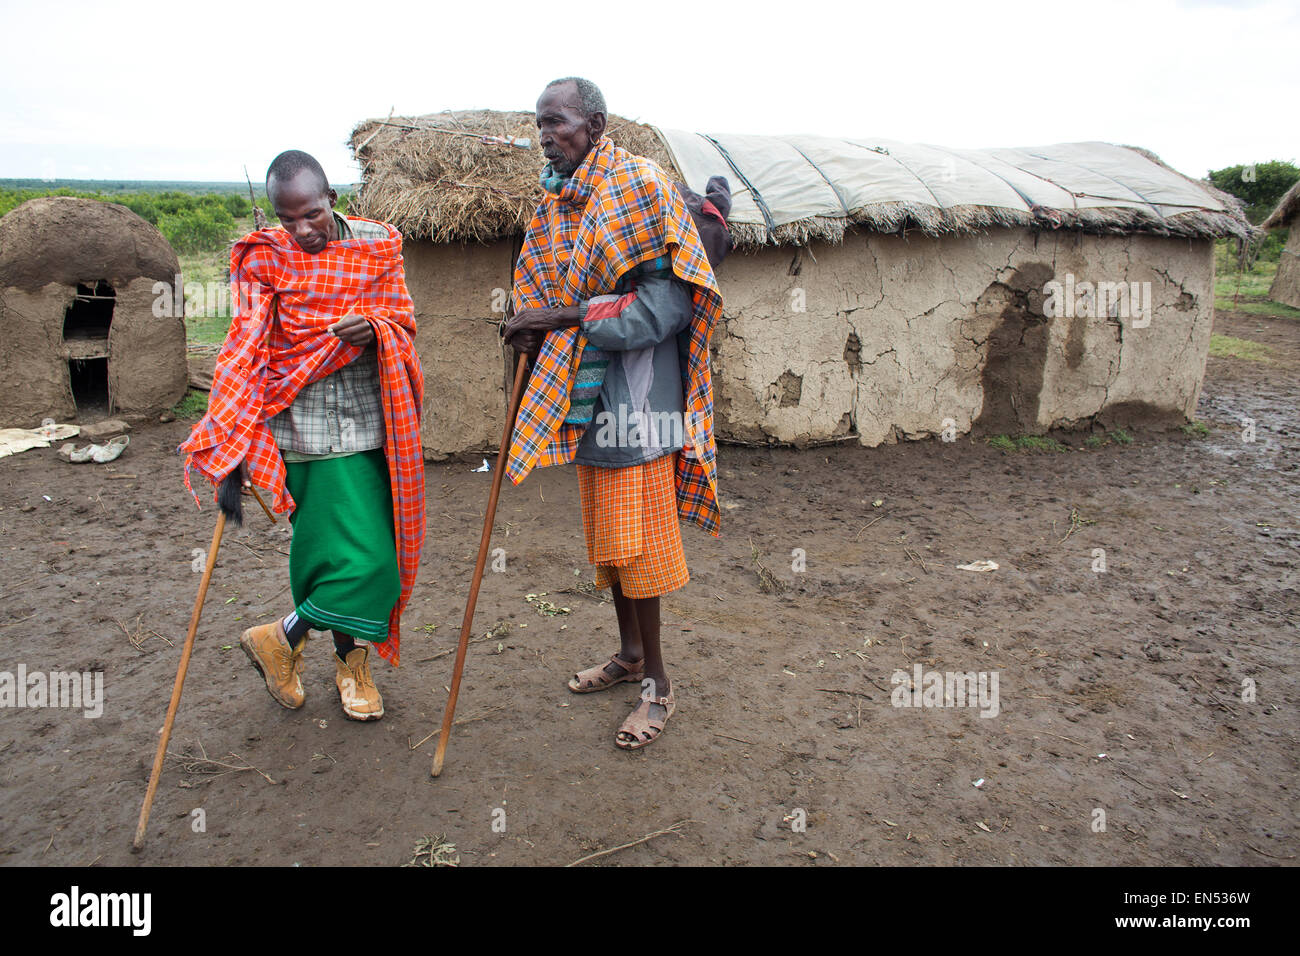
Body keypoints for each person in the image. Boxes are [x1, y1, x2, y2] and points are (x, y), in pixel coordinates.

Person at [503, 77, 723, 749]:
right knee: (609, 541)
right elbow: (544, 283)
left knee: (640, 547)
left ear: (594, 124)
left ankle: (658, 684)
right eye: (539, 124)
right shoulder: (555, 201)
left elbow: (673, 304)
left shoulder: (641, 188)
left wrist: (565, 316)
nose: (546, 135)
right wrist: (531, 325)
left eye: (558, 123)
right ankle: (629, 656)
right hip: (586, 392)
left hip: (641, 394)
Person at [180, 149, 425, 722]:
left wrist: (375, 329)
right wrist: (229, 428)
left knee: (369, 555)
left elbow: (403, 321)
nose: (301, 230)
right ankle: (343, 664)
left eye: (311, 214)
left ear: (332, 199)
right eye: (287, 219)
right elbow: (246, 346)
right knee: (336, 557)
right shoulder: (266, 258)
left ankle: (292, 643)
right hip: (303, 427)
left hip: (371, 421)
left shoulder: (376, 246)